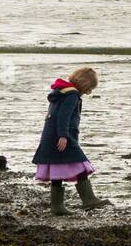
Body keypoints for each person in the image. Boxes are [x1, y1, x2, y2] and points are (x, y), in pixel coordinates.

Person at [32, 67, 110, 216]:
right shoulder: (72, 95)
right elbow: (63, 117)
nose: (89, 92)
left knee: (57, 168)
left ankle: (57, 206)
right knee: (80, 164)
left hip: (52, 136)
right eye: (89, 88)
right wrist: (63, 136)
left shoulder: (61, 92)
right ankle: (88, 199)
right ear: (84, 84)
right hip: (62, 136)